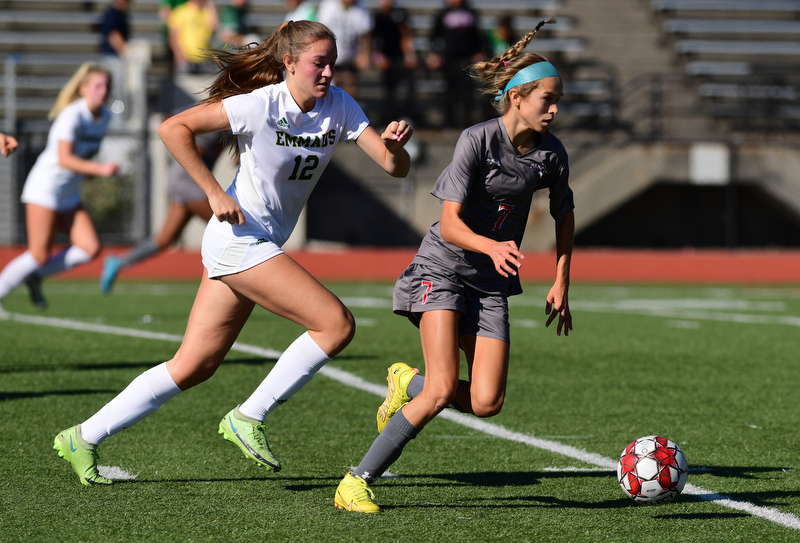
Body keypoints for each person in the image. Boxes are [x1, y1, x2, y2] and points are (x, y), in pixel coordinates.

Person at [53, 20, 413, 486]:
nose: (328, 73)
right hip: (238, 239)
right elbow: (173, 127)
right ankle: (249, 416)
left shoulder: (339, 105)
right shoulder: (260, 103)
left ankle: (82, 437)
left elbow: (392, 167)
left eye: (332, 63)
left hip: (254, 244)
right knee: (335, 324)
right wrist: (212, 191)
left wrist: (394, 148)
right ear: (289, 63)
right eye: (318, 63)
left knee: (194, 365)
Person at [334, 18, 574, 513]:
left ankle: (406, 382)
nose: (553, 109)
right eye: (545, 99)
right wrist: (492, 247)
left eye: (557, 100)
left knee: (487, 402)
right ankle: (355, 481)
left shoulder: (552, 155)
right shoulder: (477, 141)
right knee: (444, 389)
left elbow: (565, 216)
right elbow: (448, 225)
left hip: (490, 284)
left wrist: (561, 280)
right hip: (440, 270)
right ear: (516, 97)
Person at [0, 63, 119, 315]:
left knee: (90, 248)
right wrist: (99, 170)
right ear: (83, 88)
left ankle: (35, 276)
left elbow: (84, 154)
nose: (103, 91)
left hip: (68, 193)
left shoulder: (105, 116)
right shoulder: (72, 115)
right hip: (45, 188)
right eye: (97, 85)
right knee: (38, 254)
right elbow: (64, 159)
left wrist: (89, 174)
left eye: (107, 86)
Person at [99, 128, 224, 294]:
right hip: (188, 183)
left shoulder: (234, 127)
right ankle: (237, 278)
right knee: (227, 227)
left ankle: (118, 262)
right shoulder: (215, 128)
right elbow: (189, 150)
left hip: (185, 182)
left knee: (164, 239)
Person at [425, 0, 487, 128]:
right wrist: (436, 54)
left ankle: (467, 121)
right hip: (448, 60)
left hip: (467, 59)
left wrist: (479, 52)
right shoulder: (442, 14)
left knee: (467, 92)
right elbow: (434, 37)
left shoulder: (471, 14)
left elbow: (478, 36)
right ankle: (450, 121)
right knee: (450, 92)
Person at [370, 0, 418, 124]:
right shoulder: (377, 17)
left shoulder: (400, 14)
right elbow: (373, 39)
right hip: (386, 58)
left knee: (407, 87)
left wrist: (410, 55)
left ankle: (406, 116)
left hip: (400, 58)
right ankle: (388, 118)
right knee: (388, 90)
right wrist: (379, 57)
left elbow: (406, 34)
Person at [316, 0, 372, 98]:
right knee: (333, 83)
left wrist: (364, 54)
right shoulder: (329, 6)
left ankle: (348, 109)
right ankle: (333, 109)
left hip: (351, 56)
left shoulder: (361, 9)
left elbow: (366, 34)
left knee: (350, 83)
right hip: (332, 56)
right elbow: (322, 31)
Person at [167, 0, 218, 73]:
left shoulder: (206, 12)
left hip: (205, 59)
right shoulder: (180, 12)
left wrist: (210, 5)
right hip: (186, 59)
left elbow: (214, 27)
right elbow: (173, 38)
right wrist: (179, 55)